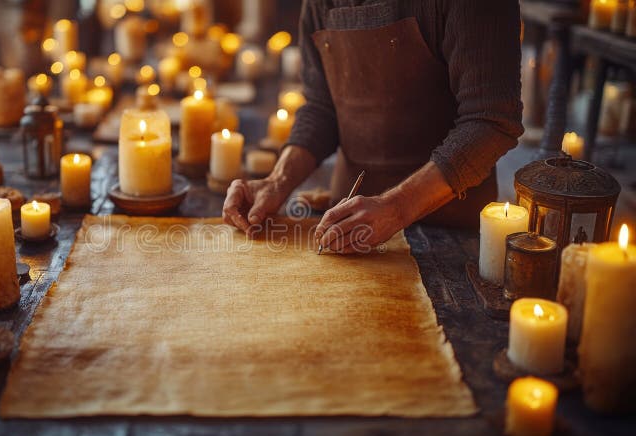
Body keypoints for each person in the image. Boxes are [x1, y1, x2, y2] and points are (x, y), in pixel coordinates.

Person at [222, 0, 524, 254]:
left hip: (448, 237)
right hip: (345, 227)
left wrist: (395, 208)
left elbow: (491, 121)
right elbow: (322, 106)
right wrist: (278, 182)